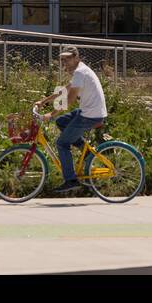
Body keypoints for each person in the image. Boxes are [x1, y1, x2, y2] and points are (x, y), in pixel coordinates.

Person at [34, 47, 107, 193]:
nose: (65, 62)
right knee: (61, 122)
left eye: (68, 59)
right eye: (63, 59)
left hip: (90, 115)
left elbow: (70, 99)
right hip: (89, 111)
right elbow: (64, 90)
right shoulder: (80, 71)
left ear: (76, 58)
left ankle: (71, 180)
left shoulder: (80, 72)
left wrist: (51, 114)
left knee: (62, 143)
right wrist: (44, 101)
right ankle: (87, 153)